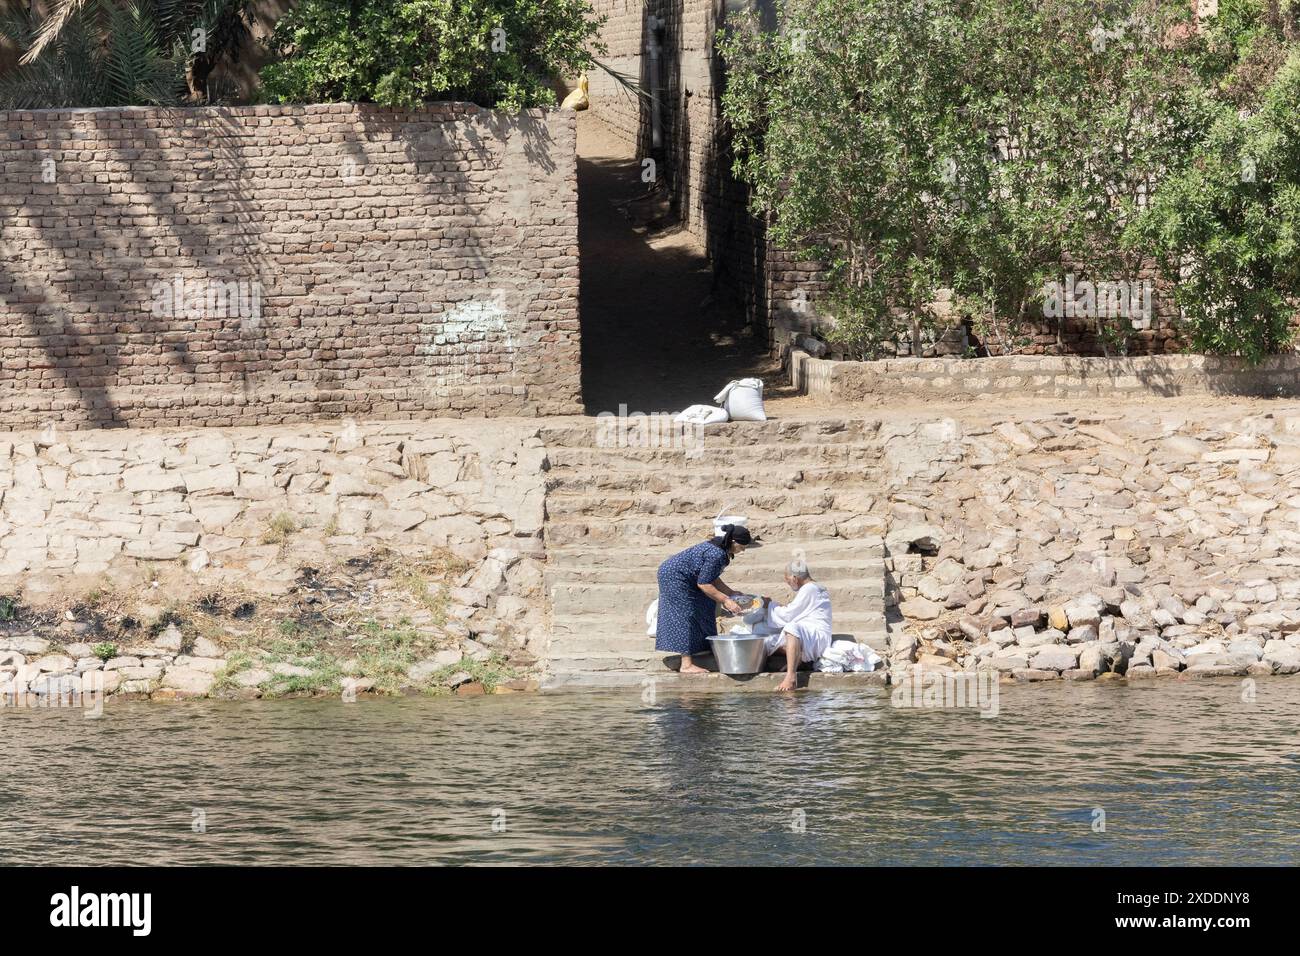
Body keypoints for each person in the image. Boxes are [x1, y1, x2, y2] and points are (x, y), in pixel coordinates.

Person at [655, 524, 757, 674]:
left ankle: (704, 648)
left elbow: (711, 577)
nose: (743, 550)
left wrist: (730, 592)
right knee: (686, 614)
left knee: (706, 604)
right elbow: (704, 584)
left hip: (685, 577)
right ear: (734, 541)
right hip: (675, 578)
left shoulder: (720, 549)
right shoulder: (716, 554)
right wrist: (726, 600)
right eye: (742, 546)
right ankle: (686, 664)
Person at [761, 558, 833, 692]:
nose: (789, 584)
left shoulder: (809, 588)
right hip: (815, 635)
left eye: (788, 581)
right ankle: (798, 659)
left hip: (817, 635)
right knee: (769, 642)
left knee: (791, 627)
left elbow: (789, 614)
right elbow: (798, 610)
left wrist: (769, 604)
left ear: (794, 578)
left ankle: (791, 677)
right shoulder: (817, 587)